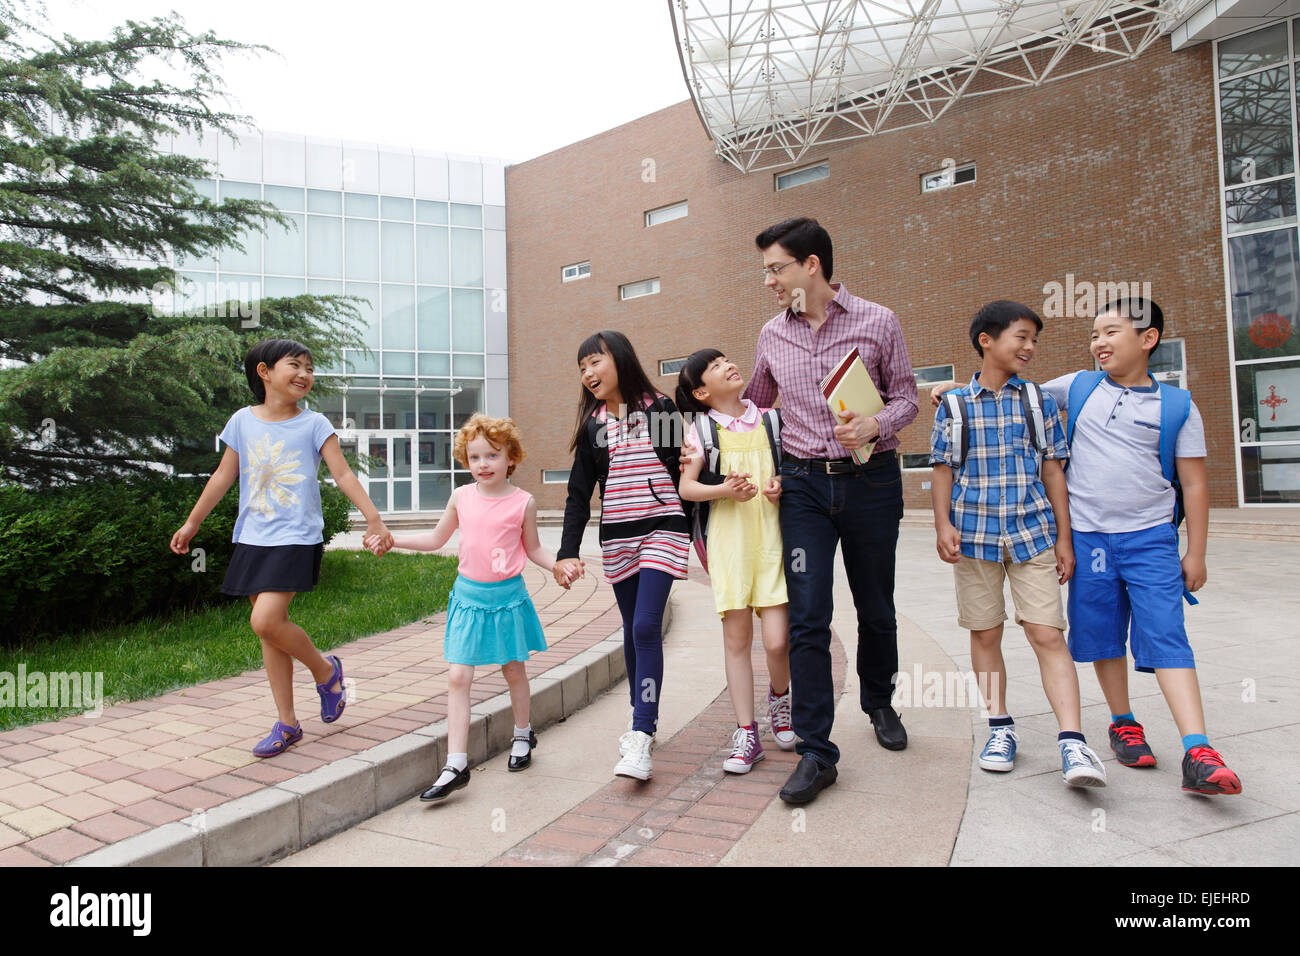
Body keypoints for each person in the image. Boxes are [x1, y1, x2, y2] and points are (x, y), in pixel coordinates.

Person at [931, 298, 1242, 795]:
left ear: (1148, 339)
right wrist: (951, 389)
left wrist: (1195, 551)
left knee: (1154, 635)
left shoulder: (1176, 406)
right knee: (1095, 636)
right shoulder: (1077, 386)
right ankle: (1115, 723)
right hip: (1055, 538)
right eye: (1094, 333)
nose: (1098, 342)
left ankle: (1194, 748)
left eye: (1110, 332)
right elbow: (986, 399)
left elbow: (1194, 485)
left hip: (1141, 539)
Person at [739, 217, 919, 805]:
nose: (767, 279)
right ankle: (817, 751)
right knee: (808, 617)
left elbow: (907, 398)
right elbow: (758, 406)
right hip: (803, 489)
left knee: (877, 606)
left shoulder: (878, 321)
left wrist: (876, 422)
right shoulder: (771, 334)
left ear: (810, 264)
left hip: (872, 483)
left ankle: (879, 702)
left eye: (775, 268)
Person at [170, 338, 394, 757]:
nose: (305, 374)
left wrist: (374, 517)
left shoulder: (314, 425)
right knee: (270, 634)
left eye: (310, 368)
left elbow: (342, 475)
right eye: (296, 365)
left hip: (296, 536)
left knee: (265, 620)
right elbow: (223, 476)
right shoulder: (242, 420)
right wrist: (192, 521)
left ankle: (326, 672)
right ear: (265, 372)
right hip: (252, 537)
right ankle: (288, 723)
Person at [930, 301, 1106, 788]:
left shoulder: (1040, 402)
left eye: (1034, 340)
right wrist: (942, 523)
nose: (1030, 348)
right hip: (974, 537)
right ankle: (1000, 727)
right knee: (985, 633)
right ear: (986, 339)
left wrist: (1065, 538)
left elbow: (1053, 469)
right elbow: (943, 468)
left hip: (1033, 535)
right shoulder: (954, 406)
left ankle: (1073, 741)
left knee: (1047, 633)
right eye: (1021, 337)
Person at [367, 414, 568, 801]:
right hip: (468, 599)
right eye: (474, 457)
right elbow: (436, 537)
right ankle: (455, 763)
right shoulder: (462, 496)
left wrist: (559, 564)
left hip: (507, 600)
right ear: (466, 459)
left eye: (492, 455)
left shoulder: (522, 502)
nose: (483, 464)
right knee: (458, 677)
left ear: (511, 457)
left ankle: (523, 734)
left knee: (513, 670)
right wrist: (393, 540)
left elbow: (533, 549)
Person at [553, 330, 690, 781]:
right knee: (633, 631)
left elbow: (680, 468)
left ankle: (640, 733)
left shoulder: (660, 409)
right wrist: (567, 551)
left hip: (662, 528)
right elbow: (578, 494)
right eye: (582, 368)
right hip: (618, 537)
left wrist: (687, 523)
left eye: (595, 361)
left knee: (648, 625)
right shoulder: (594, 425)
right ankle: (643, 712)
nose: (589, 373)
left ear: (621, 358)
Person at [675, 348, 794, 774]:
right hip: (729, 545)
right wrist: (724, 490)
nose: (728, 364)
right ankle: (747, 732)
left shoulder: (771, 419)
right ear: (702, 391)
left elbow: (792, 470)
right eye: (715, 366)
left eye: (728, 358)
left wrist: (781, 484)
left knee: (779, 640)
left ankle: (780, 700)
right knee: (737, 641)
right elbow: (687, 489)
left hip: (773, 541)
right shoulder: (700, 430)